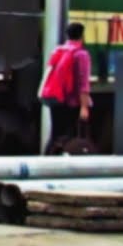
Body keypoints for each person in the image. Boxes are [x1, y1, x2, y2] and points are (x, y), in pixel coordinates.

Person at [40, 22, 92, 155]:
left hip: (56, 97)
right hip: (71, 102)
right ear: (82, 36)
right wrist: (84, 107)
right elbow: (83, 83)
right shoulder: (81, 54)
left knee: (55, 134)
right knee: (70, 135)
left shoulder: (58, 51)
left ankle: (47, 159)